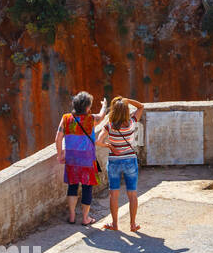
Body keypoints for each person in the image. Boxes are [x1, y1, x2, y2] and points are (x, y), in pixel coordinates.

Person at [55, 91, 106, 226]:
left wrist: (60, 154)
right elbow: (102, 116)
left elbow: (58, 138)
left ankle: (72, 216)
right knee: (87, 187)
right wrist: (104, 105)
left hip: (72, 159)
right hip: (88, 160)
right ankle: (85, 218)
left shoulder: (66, 118)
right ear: (87, 107)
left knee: (72, 186)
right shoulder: (91, 119)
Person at [97, 96, 145, 233]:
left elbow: (98, 141)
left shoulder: (109, 126)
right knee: (132, 194)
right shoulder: (131, 122)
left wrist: (110, 147)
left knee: (114, 195)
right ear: (125, 111)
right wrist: (127, 100)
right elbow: (141, 106)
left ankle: (115, 224)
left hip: (114, 161)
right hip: (130, 159)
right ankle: (133, 224)